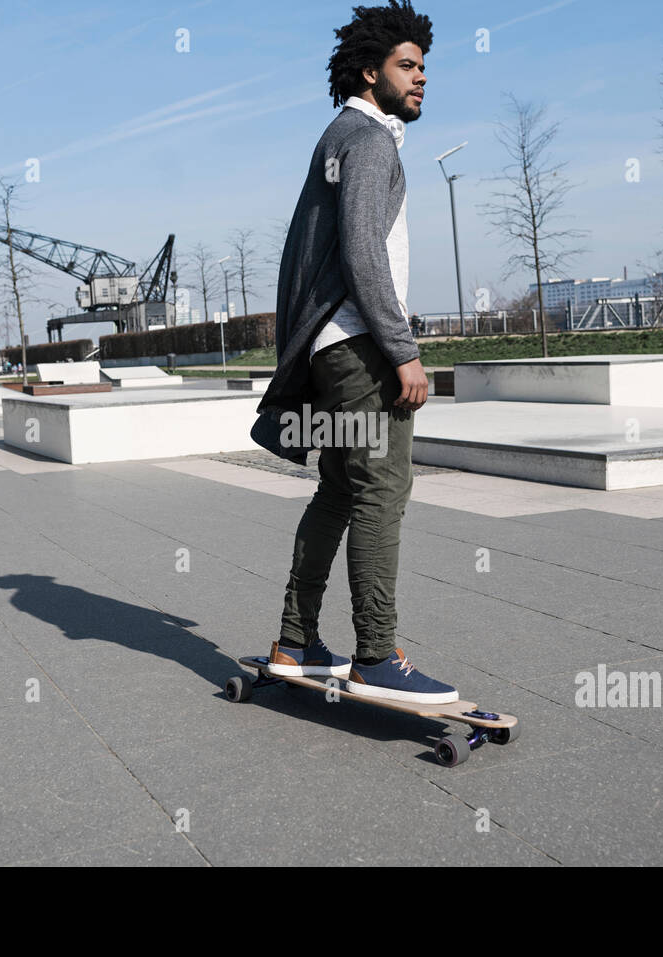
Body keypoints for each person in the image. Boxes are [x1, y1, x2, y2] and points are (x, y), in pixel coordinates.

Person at [253, 0, 456, 705]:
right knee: (382, 488)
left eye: (424, 66)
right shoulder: (369, 141)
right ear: (371, 72)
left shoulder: (336, 137)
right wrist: (402, 349)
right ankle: (376, 652)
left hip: (331, 350)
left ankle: (295, 638)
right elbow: (362, 250)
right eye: (408, 66)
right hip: (362, 348)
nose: (421, 78)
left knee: (340, 488)